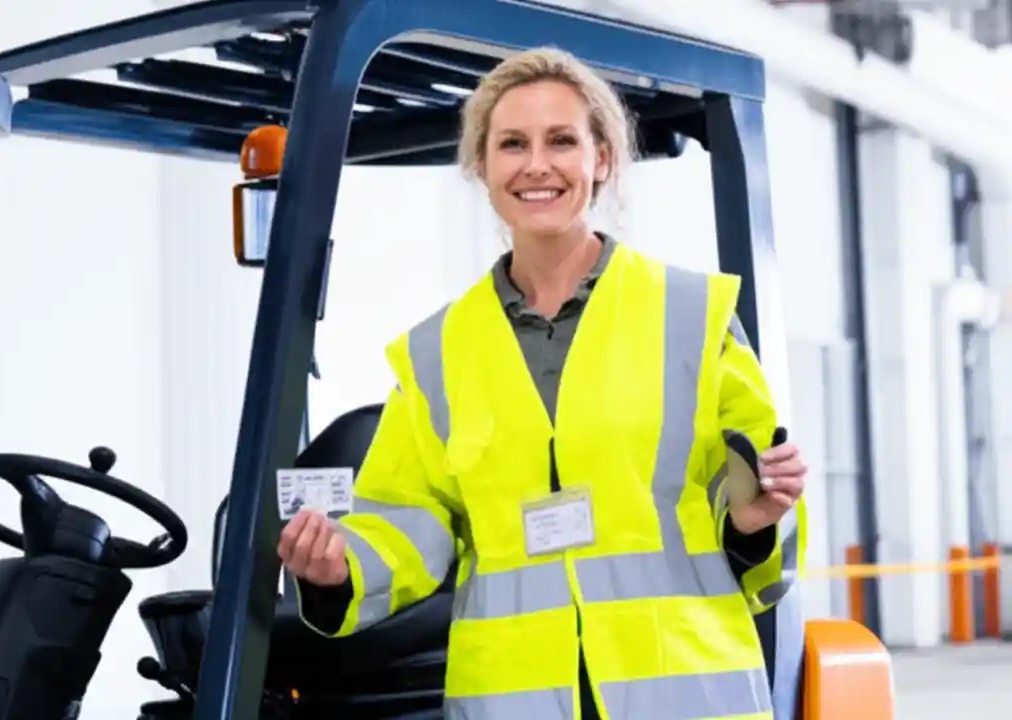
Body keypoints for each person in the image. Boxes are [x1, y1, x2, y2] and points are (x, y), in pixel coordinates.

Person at [277, 46, 808, 720]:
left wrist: (753, 523)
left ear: (603, 159)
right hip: (512, 700)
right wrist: (340, 567)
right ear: (481, 166)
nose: (536, 165)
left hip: (684, 692)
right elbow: (408, 516)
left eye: (562, 141)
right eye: (512, 144)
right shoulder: (439, 351)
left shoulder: (692, 316)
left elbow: (759, 510)